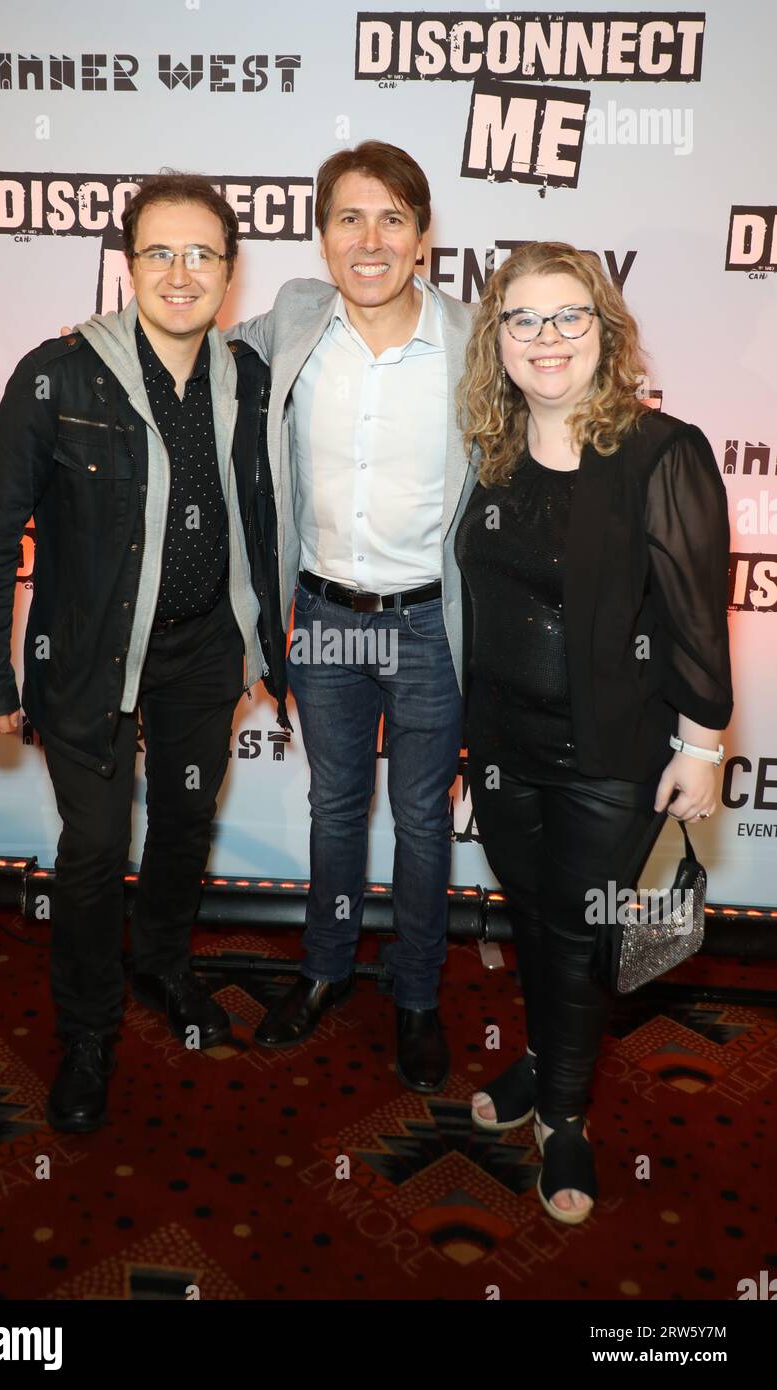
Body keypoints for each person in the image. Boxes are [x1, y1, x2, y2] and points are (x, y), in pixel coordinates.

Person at [0, 173, 287, 1135]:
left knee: (185, 825)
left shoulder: (247, 380)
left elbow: (265, 520)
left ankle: (164, 964)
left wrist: (268, 639)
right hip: (94, 656)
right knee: (95, 850)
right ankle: (89, 1032)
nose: (181, 273)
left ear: (230, 269)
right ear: (126, 264)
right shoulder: (56, 373)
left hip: (203, 656)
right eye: (159, 252)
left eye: (203, 254)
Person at [454, 241, 732, 1222]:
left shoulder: (661, 453)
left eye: (567, 315)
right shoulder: (491, 452)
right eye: (521, 319)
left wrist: (701, 747)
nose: (545, 338)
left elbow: (698, 611)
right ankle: (539, 1061)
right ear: (496, 339)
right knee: (531, 917)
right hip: (497, 748)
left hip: (608, 757)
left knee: (577, 933)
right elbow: (481, 611)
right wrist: (461, 748)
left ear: (603, 331)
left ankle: (564, 1116)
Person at [229, 141, 477, 1091]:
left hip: (428, 625)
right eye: (349, 218)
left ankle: (416, 995)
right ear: (321, 234)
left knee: (420, 820)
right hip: (325, 617)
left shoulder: (472, 336)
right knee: (333, 808)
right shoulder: (293, 317)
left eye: (393, 219)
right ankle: (326, 973)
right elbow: (193, 345)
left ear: (422, 238)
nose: (369, 240)